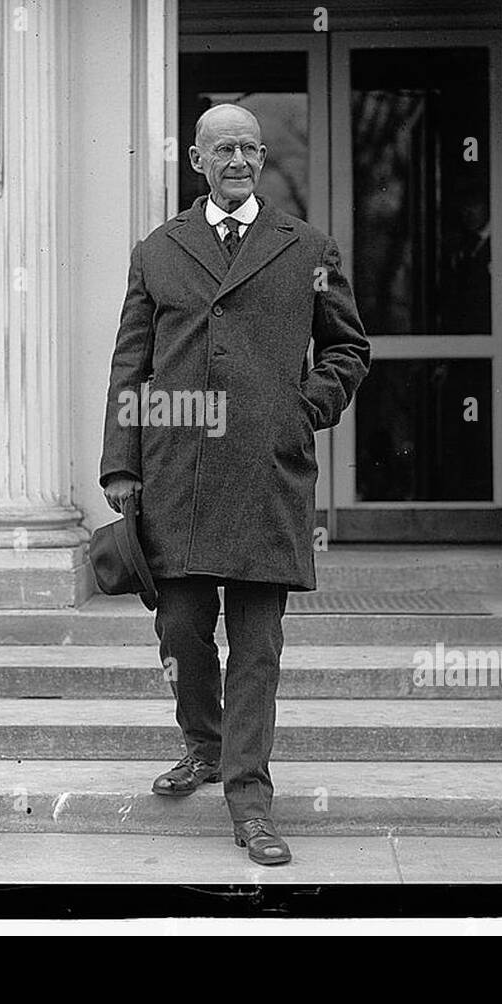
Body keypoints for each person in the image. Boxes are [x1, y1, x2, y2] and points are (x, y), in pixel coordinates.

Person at [99, 104, 369, 865]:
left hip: (264, 473)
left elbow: (348, 347)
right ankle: (205, 742)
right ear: (196, 159)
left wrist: (302, 409)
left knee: (256, 646)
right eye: (224, 148)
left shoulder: (308, 247)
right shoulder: (157, 251)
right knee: (180, 628)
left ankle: (250, 802)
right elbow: (131, 364)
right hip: (175, 474)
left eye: (251, 147)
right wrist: (122, 464)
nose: (240, 159)